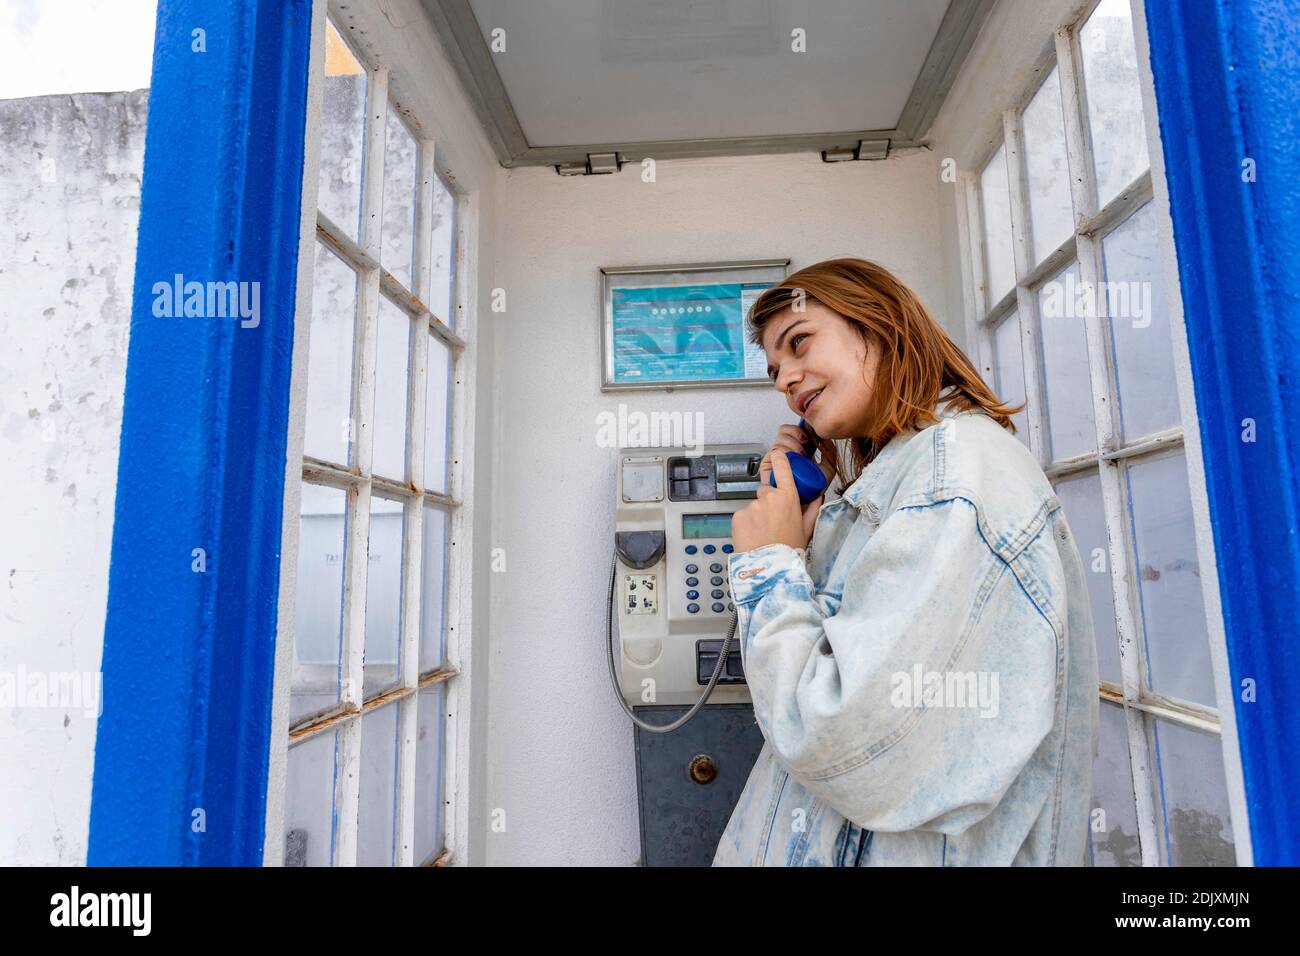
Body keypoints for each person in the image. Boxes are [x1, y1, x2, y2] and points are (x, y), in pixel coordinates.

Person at [713, 257, 1099, 866]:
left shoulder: (950, 481)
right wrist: (807, 542)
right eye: (775, 370)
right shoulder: (905, 478)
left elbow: (843, 738)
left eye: (799, 342)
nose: (785, 379)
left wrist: (770, 571)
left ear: (880, 322)